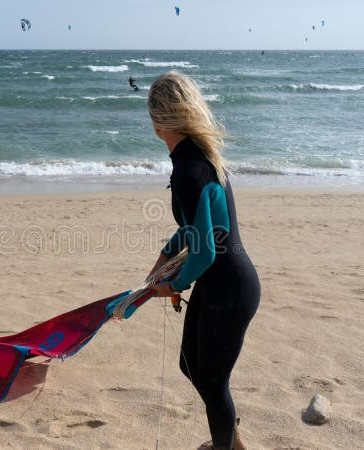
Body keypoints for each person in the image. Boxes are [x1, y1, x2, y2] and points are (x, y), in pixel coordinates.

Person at [146, 71, 260, 450]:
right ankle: (230, 437)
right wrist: (165, 257)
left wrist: (174, 284)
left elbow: (206, 250)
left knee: (212, 381)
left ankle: (224, 445)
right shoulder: (200, 158)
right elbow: (203, 229)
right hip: (222, 283)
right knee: (190, 365)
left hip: (229, 288)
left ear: (159, 119)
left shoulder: (189, 169)